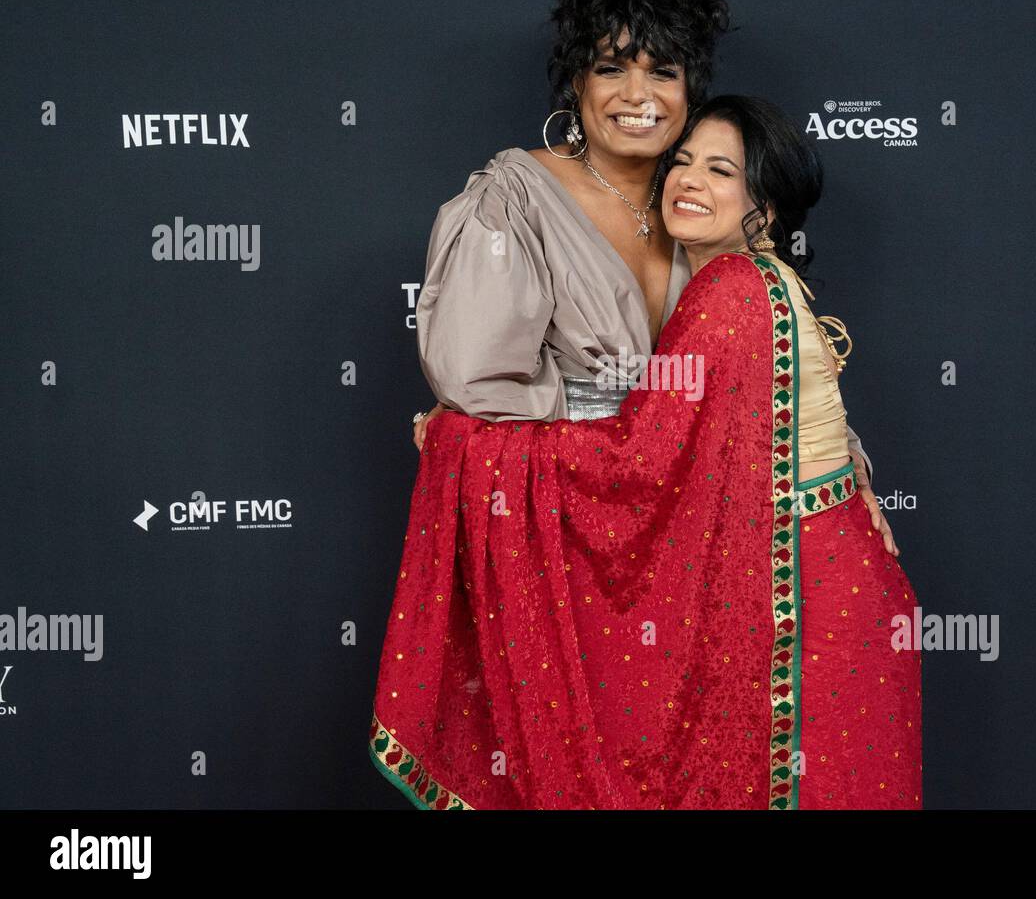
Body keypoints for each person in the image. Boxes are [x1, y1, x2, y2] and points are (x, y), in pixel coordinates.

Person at [369, 96, 921, 809]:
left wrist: (467, 441)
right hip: (826, 588)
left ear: (765, 207)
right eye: (683, 162)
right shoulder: (756, 280)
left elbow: (641, 463)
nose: (689, 179)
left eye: (721, 170)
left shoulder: (729, 291)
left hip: (805, 613)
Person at [406, 0, 892, 537]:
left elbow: (770, 353)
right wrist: (623, 426)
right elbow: (475, 380)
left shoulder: (703, 203)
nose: (638, 96)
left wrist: (839, 465)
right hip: (574, 521)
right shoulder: (513, 200)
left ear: (689, 90)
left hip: (700, 523)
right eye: (612, 68)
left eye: (663, 71)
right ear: (577, 82)